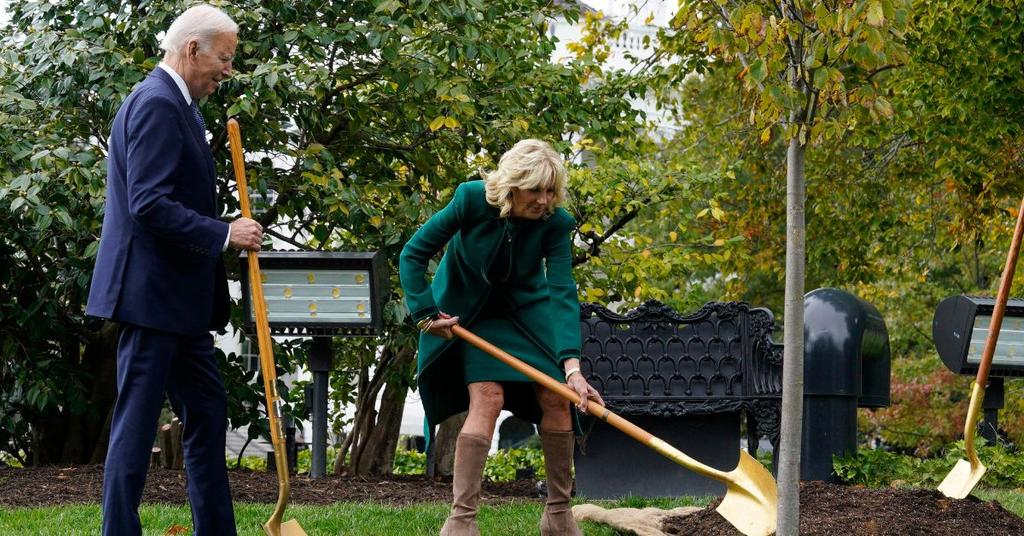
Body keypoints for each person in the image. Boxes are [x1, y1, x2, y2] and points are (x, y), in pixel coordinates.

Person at [85, 5, 262, 535]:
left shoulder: (179, 105)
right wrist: (224, 233)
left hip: (180, 304)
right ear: (192, 49)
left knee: (207, 415)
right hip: (151, 297)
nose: (227, 69)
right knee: (136, 428)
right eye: (224, 58)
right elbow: (148, 204)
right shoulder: (157, 104)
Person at [399, 139, 604, 536]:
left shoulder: (555, 223)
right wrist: (426, 314)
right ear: (512, 186)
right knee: (488, 397)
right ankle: (462, 521)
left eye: (550, 191)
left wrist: (573, 368)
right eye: (535, 190)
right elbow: (413, 253)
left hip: (527, 319)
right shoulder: (471, 200)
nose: (544, 200)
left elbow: (562, 290)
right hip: (470, 318)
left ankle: (558, 515)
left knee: (558, 400)